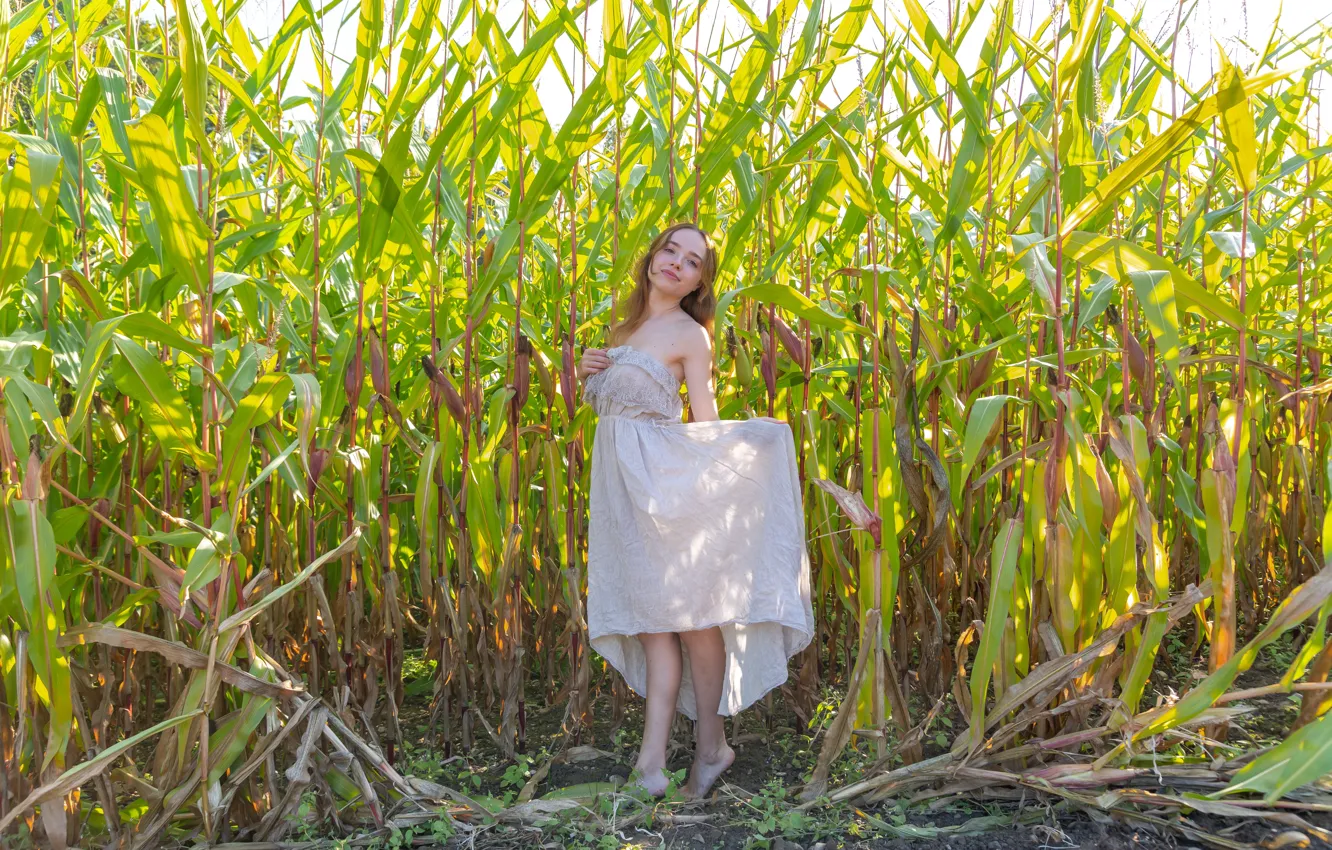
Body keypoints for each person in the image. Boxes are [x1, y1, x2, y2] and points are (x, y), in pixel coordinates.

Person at [576, 222, 815, 800]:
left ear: (698, 283)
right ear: (653, 256)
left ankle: (699, 752)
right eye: (669, 250)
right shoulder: (623, 326)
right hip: (621, 494)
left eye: (692, 262)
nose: (676, 263)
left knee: (692, 619)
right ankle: (662, 764)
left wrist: (754, 440)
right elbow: (612, 412)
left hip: (665, 489)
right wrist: (583, 375)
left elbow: (703, 423)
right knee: (657, 628)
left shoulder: (690, 335)